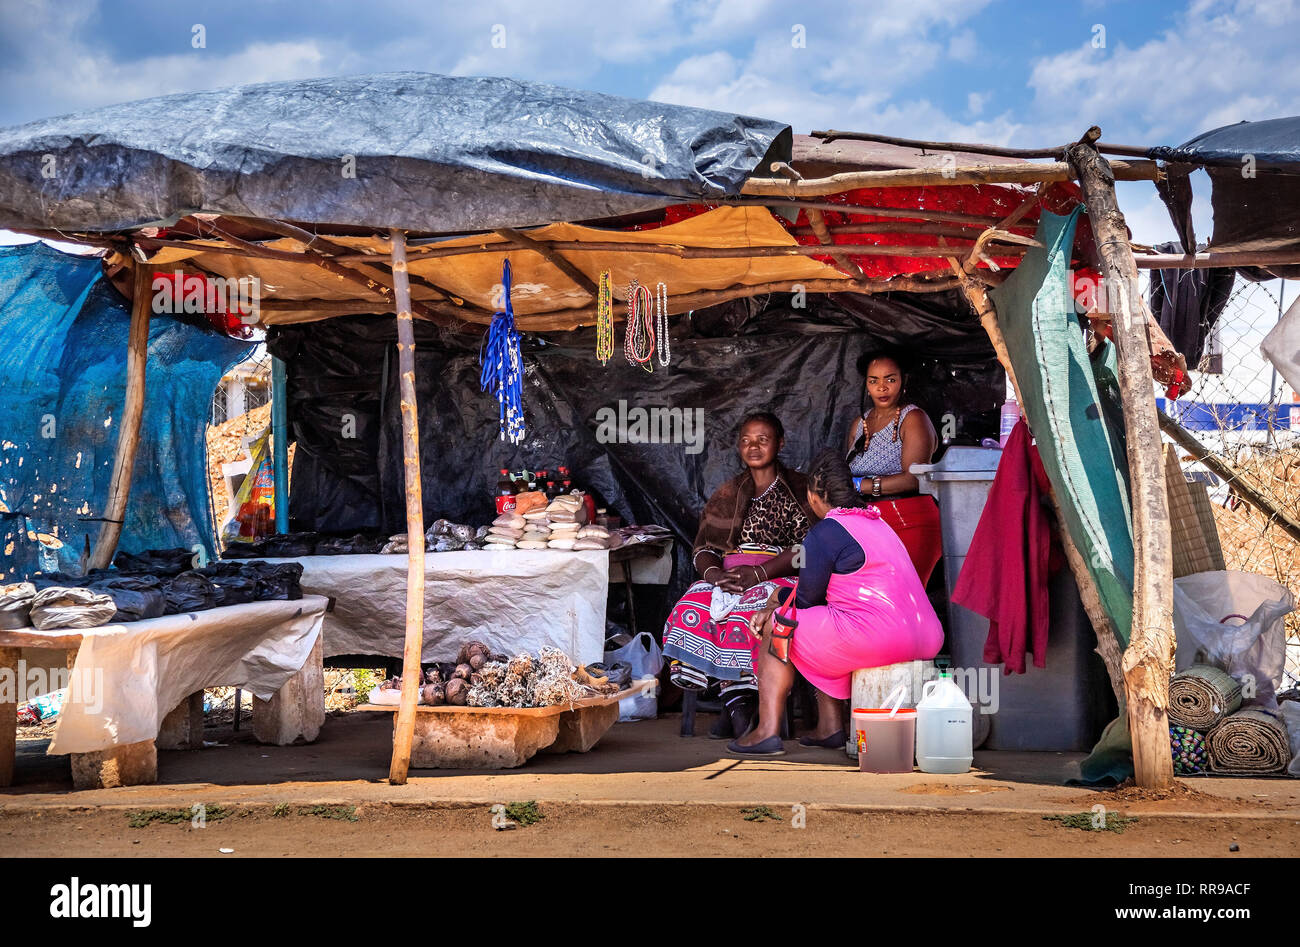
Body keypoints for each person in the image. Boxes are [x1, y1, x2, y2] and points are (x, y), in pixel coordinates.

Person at [729, 450, 944, 756]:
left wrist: (773, 605)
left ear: (816, 494)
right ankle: (830, 727)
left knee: (780, 625)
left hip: (881, 638)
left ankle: (766, 731)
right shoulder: (879, 524)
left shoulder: (827, 532)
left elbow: (806, 600)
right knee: (827, 623)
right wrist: (781, 597)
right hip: (926, 636)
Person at [662, 411, 813, 738]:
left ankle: (740, 707)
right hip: (729, 577)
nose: (753, 447)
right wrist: (715, 575)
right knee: (691, 607)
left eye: (763, 439)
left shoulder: (801, 489)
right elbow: (702, 547)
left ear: (780, 443)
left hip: (778, 575)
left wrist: (759, 573)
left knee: (749, 613)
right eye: (746, 441)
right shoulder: (729, 492)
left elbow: (808, 550)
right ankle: (736, 705)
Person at [845, 345, 943, 586]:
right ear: (866, 385)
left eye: (890, 379)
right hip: (869, 523)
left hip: (910, 519)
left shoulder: (913, 418)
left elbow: (913, 478)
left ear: (903, 380)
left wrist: (858, 485)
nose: (882, 387)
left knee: (904, 596)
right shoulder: (860, 423)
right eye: (874, 380)